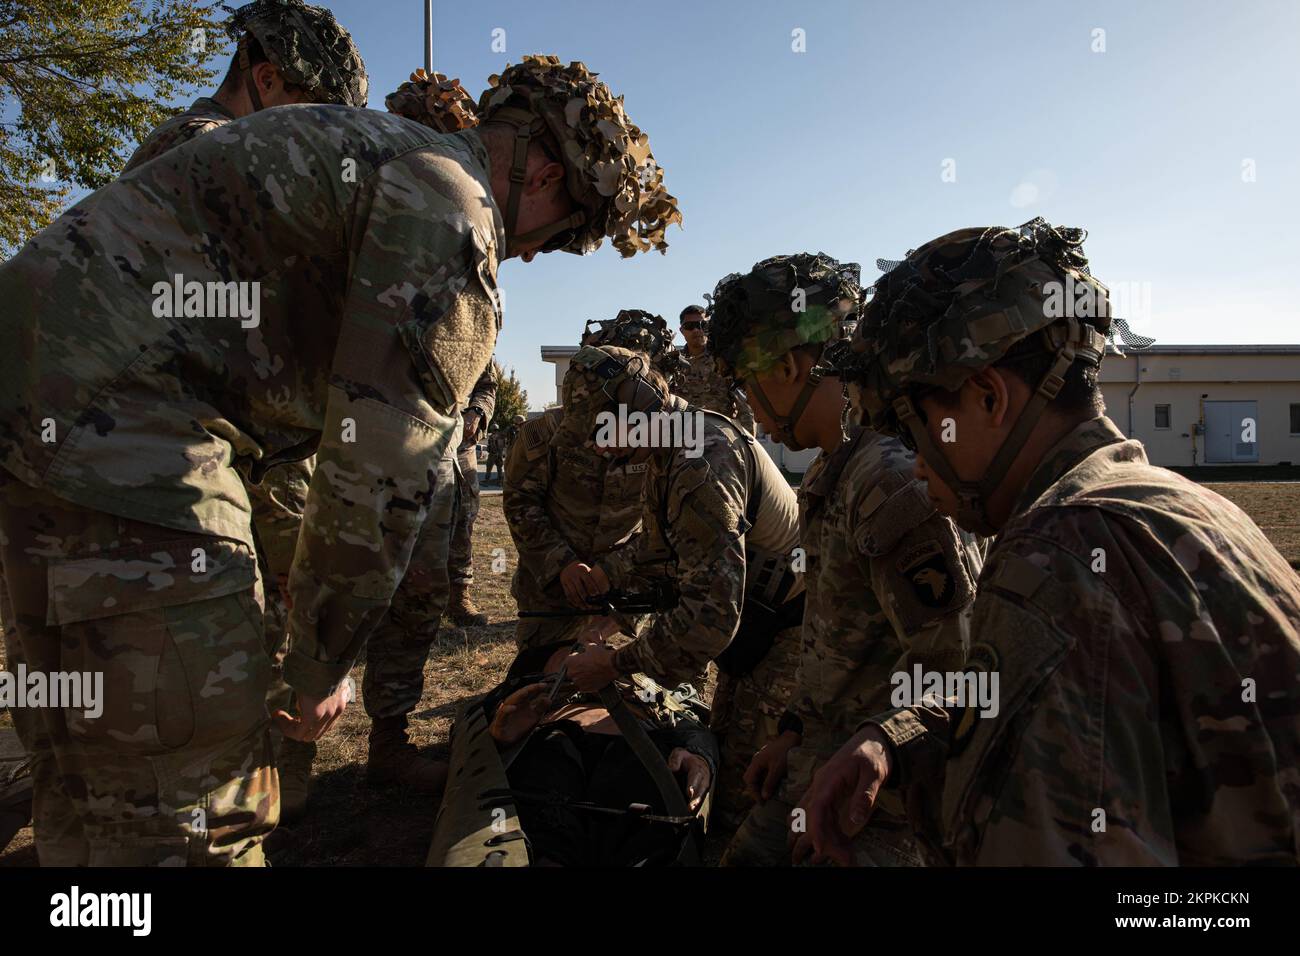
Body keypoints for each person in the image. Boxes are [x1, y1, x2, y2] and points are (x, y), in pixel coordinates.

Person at [0, 54, 679, 866]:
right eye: (563, 232)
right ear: (540, 171)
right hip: (133, 434)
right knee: (199, 811)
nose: (538, 253)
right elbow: (378, 474)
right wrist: (319, 664)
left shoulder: (371, 150)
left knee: (89, 782)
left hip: (47, 429)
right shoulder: (448, 205)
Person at [797, 218, 1300, 866]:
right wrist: (897, 738)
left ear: (986, 398)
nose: (914, 463)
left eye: (912, 425)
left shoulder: (1057, 558)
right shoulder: (1185, 508)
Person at [704, 253, 983, 867]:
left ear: (787, 366)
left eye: (751, 384)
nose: (749, 404)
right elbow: (841, 643)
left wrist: (878, 753)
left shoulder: (889, 483)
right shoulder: (838, 470)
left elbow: (962, 678)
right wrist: (795, 733)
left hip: (879, 806)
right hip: (821, 766)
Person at [560, 346, 805, 830]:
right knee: (723, 756)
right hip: (758, 621)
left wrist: (612, 664)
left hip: (791, 629)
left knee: (746, 797)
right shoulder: (672, 446)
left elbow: (709, 617)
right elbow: (658, 548)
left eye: (602, 429)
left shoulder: (701, 463)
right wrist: (615, 604)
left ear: (639, 405)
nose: (598, 447)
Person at [435, 636, 716, 867]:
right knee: (549, 769)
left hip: (638, 750)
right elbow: (476, 737)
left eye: (604, 649)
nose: (590, 651)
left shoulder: (646, 693)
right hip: (553, 748)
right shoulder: (522, 705)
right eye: (573, 651)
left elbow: (692, 727)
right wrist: (500, 736)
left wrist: (698, 755)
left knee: (644, 784)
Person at [504, 311, 677, 653]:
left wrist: (614, 573)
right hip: (549, 589)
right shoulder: (543, 435)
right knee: (537, 677)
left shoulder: (666, 441)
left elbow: (666, 527)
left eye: (606, 432)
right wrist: (562, 564)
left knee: (613, 685)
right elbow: (520, 503)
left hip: (624, 586)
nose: (600, 446)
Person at [123, 0, 368, 172]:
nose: (315, 135)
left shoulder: (213, 140)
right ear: (267, 80)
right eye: (314, 114)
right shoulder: (209, 142)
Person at [444, 367, 498, 628]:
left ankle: (458, 596)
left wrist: (477, 412)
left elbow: (487, 386)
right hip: (405, 432)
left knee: (463, 515)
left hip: (460, 442)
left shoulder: (475, 329)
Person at [671, 305, 755, 432]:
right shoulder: (673, 364)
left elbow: (745, 407)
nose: (696, 330)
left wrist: (746, 443)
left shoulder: (724, 360)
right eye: (690, 326)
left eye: (702, 325)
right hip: (684, 438)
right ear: (682, 330)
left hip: (720, 438)